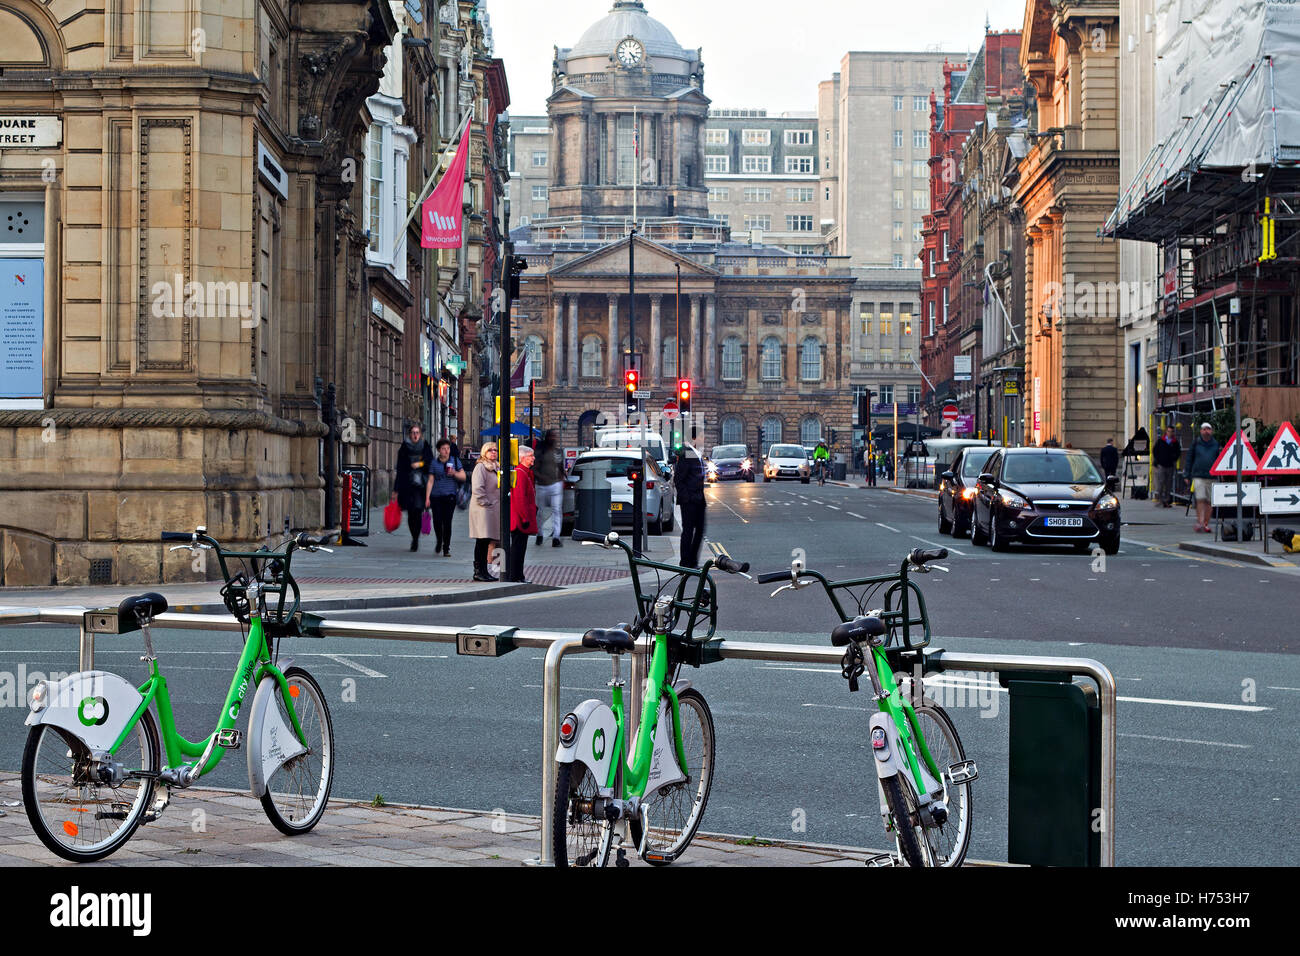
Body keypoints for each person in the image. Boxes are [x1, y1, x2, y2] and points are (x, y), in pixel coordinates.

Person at [392, 423, 433, 552]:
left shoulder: (425, 446)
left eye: (417, 433)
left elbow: (430, 463)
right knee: (411, 513)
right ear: (410, 435)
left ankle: (416, 536)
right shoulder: (404, 448)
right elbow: (400, 468)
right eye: (413, 433)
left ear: (420, 435)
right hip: (407, 485)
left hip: (421, 486)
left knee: (418, 510)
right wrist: (396, 489)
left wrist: (419, 464)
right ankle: (414, 538)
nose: (415, 435)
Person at [428, 439, 466, 557]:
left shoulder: (455, 461)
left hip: (450, 496)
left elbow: (463, 476)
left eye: (448, 448)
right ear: (439, 450)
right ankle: (439, 540)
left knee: (447, 522)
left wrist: (454, 473)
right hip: (436, 496)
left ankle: (446, 548)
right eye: (444, 449)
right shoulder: (434, 463)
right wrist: (427, 498)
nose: (446, 451)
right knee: (437, 521)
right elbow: (430, 480)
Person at [469, 441, 501, 581]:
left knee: (487, 540)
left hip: (492, 509)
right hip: (483, 510)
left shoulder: (496, 466)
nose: (493, 452)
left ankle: (484, 571)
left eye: (495, 450)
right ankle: (478, 571)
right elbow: (477, 488)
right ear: (484, 452)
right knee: (482, 541)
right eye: (490, 450)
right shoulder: (481, 467)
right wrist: (486, 503)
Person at [507, 445, 537, 582]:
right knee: (518, 550)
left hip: (523, 518)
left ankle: (518, 575)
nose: (533, 458)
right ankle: (515, 576)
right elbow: (519, 499)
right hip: (520, 520)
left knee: (520, 549)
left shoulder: (524, 473)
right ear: (523, 458)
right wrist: (525, 517)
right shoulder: (520, 473)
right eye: (531, 456)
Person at [673, 443, 707, 568]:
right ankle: (685, 563)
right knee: (688, 531)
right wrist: (686, 497)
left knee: (700, 531)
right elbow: (678, 479)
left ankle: (693, 562)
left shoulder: (696, 454)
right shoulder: (687, 453)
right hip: (689, 501)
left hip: (699, 500)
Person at [1184, 422, 1220, 533]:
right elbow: (1189, 458)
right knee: (1200, 499)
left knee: (1209, 501)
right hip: (1198, 476)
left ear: (1211, 431)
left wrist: (1221, 474)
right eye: (1204, 429)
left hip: (1212, 476)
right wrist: (1187, 474)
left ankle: (1206, 523)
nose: (1206, 431)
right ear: (1201, 431)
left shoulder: (1216, 444)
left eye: (1208, 429)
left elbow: (1219, 460)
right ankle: (1200, 522)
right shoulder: (1196, 444)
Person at [532, 429, 565, 549]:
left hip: (556, 484)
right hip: (542, 485)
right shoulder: (541, 451)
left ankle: (556, 537)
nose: (553, 438)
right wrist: (541, 477)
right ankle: (540, 534)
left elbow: (561, 466)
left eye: (555, 436)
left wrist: (562, 477)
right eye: (551, 436)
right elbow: (535, 468)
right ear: (547, 437)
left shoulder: (559, 451)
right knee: (541, 511)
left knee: (557, 511)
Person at [1153, 425, 1181, 508]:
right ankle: (1160, 500)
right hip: (1161, 465)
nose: (1170, 433)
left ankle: (1166, 501)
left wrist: (1174, 459)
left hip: (1170, 465)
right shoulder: (1161, 441)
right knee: (1160, 483)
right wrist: (1157, 461)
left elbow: (1178, 452)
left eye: (1171, 432)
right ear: (1166, 432)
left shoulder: (1175, 442)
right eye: (1168, 431)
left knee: (1168, 484)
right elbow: (1155, 451)